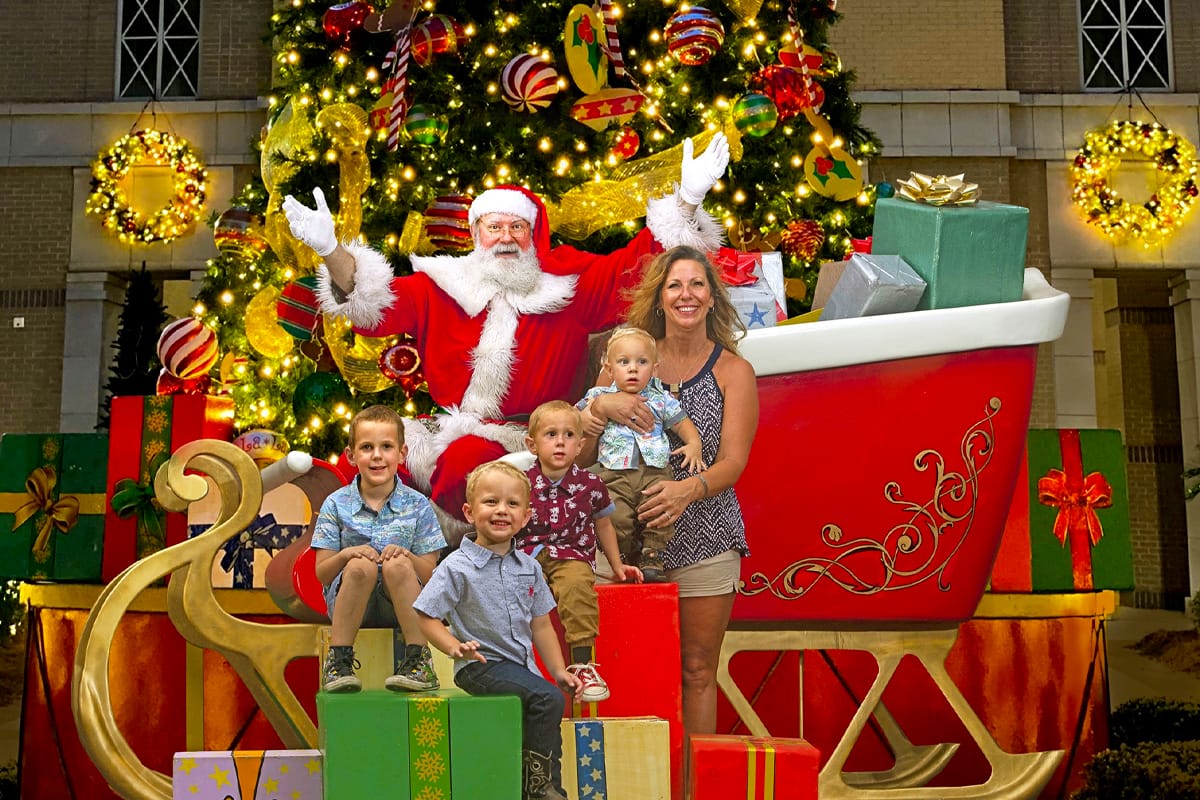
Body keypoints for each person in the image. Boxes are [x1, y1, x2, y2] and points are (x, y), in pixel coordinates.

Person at [282, 134, 730, 539]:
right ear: (476, 234)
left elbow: (639, 265)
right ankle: (334, 551)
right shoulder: (443, 283)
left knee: (463, 462)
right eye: (494, 227)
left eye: (517, 227)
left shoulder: (566, 283)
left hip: (538, 434)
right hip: (452, 427)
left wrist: (687, 201)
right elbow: (372, 306)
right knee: (370, 454)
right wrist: (330, 250)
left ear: (533, 234)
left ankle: (456, 559)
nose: (505, 238)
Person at [581, 245, 758, 741]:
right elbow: (578, 451)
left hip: (705, 539)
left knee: (698, 670)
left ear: (711, 297)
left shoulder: (733, 371)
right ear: (659, 298)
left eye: (697, 284)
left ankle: (691, 785)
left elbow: (734, 463)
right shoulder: (624, 363)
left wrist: (686, 491)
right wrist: (598, 411)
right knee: (616, 665)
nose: (686, 294)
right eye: (675, 285)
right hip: (623, 544)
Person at [414, 461, 584, 800]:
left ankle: (549, 788)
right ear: (469, 511)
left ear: (525, 517)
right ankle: (538, 788)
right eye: (491, 502)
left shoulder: (529, 567)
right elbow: (425, 615)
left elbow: (541, 624)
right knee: (546, 699)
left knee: (546, 707)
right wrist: (452, 647)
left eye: (512, 504)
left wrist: (557, 670)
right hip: (481, 666)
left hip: (521, 669)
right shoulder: (457, 566)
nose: (501, 511)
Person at [311, 404, 447, 693]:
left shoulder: (418, 505)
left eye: (386, 447)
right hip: (350, 604)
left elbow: (430, 575)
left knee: (398, 564)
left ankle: (419, 661)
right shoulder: (335, 504)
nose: (376, 456)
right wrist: (348, 554)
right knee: (361, 565)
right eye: (366, 447)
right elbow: (322, 574)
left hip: (402, 603)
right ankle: (340, 662)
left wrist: (406, 555)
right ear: (351, 455)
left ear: (401, 453)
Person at [517, 400, 643, 704]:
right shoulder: (520, 484)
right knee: (509, 588)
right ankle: (511, 663)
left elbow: (604, 526)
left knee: (576, 587)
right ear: (532, 444)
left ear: (580, 444)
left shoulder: (591, 484)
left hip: (570, 556)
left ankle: (584, 664)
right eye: (550, 434)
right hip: (525, 554)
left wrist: (616, 565)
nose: (560, 442)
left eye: (569, 435)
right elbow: (505, 523)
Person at [579, 326, 705, 583]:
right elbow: (574, 417)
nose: (633, 369)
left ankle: (652, 554)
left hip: (654, 470)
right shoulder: (598, 395)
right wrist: (585, 417)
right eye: (624, 362)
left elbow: (680, 422)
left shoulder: (660, 398)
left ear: (655, 369)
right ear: (610, 369)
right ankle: (625, 555)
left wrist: (694, 443)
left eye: (642, 362)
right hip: (613, 471)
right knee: (613, 514)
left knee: (658, 511)